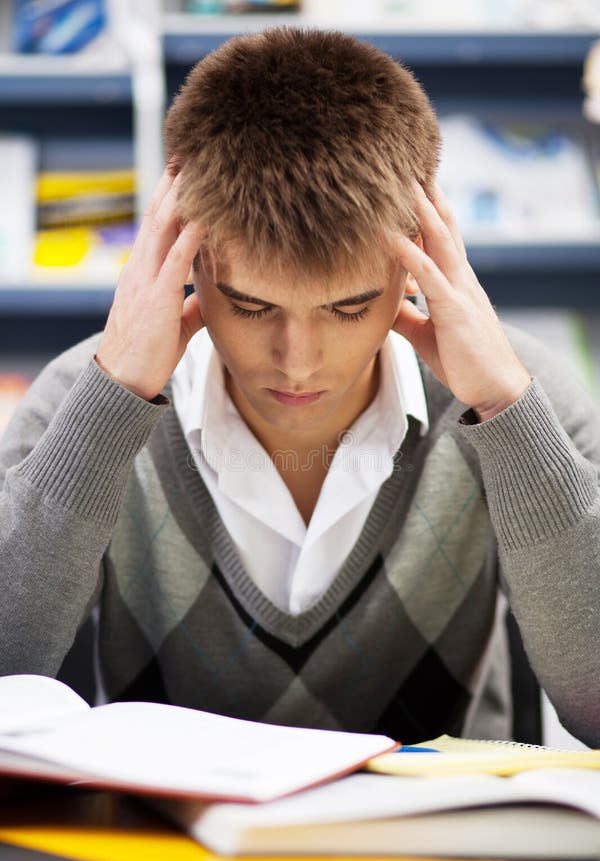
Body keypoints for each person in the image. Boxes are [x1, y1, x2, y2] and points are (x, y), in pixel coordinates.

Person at [1, 26, 598, 747]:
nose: (298, 361)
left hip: (441, 857)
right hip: (160, 857)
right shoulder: (86, 398)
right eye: (253, 307)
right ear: (183, 257)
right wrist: (115, 396)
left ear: (418, 265)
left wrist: (506, 410)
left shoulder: (522, 398)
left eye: (349, 308)